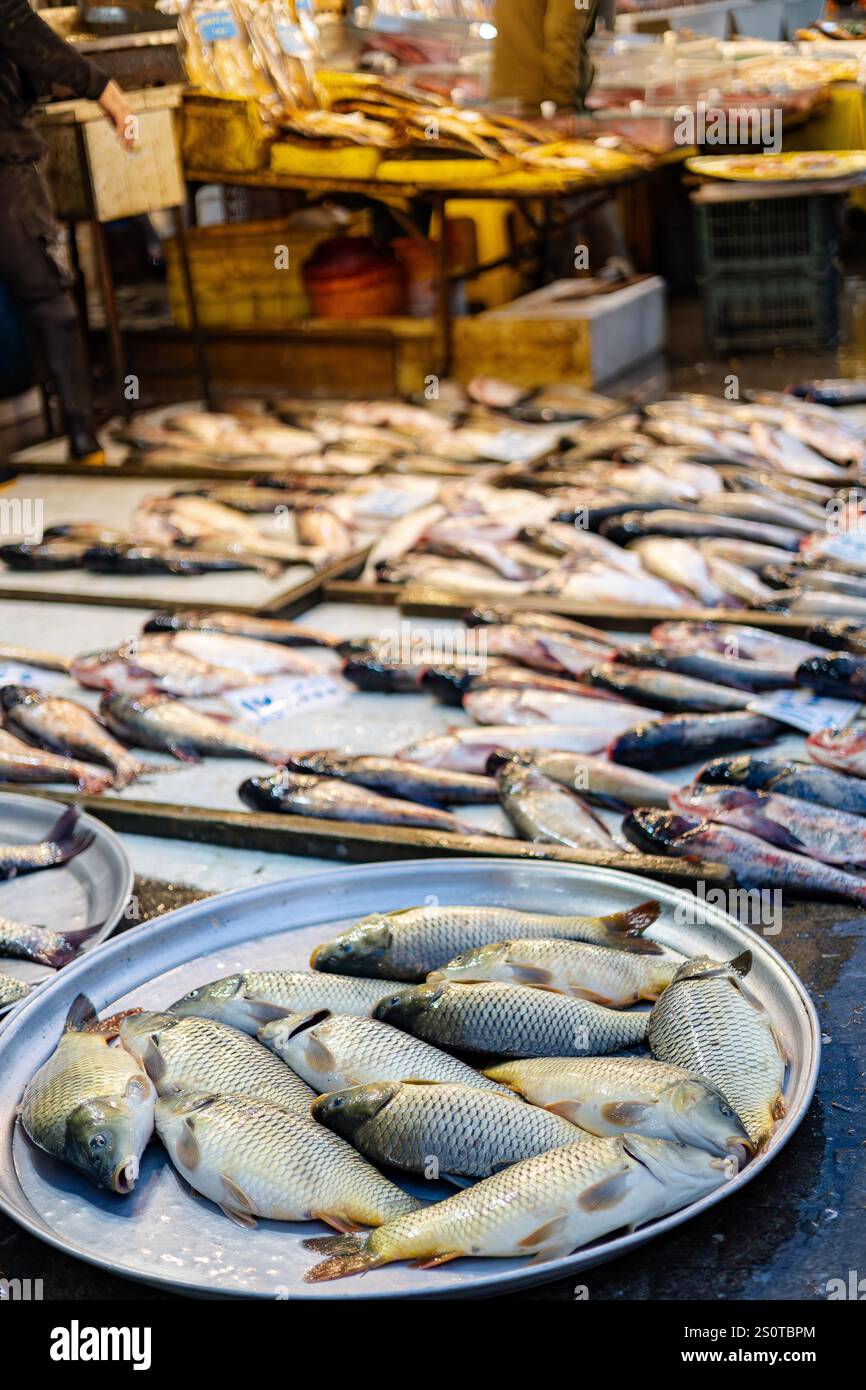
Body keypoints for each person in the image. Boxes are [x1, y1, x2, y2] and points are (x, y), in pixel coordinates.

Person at [0, 0, 133, 462]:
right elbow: (15, 24)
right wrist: (101, 88)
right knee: (48, 299)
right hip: (5, 162)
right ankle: (83, 440)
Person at [491, 0, 632, 281]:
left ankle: (605, 271)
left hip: (514, 96)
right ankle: (548, 280)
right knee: (576, 188)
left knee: (577, 191)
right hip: (542, 103)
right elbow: (562, 35)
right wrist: (565, 106)